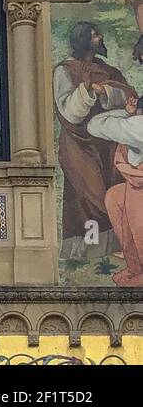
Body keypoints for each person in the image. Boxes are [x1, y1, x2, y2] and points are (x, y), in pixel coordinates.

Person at [53, 21, 134, 262]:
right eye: (95, 35)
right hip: (79, 145)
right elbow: (68, 111)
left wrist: (106, 92)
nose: (100, 38)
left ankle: (112, 249)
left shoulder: (106, 69)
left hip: (107, 144)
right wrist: (88, 90)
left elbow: (128, 95)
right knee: (87, 196)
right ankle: (83, 252)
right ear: (84, 41)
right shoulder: (64, 71)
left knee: (113, 191)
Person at [86, 102, 143, 286]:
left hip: (139, 185)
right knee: (115, 197)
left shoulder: (137, 125)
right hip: (137, 181)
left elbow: (94, 125)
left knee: (135, 213)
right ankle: (135, 263)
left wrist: (126, 112)